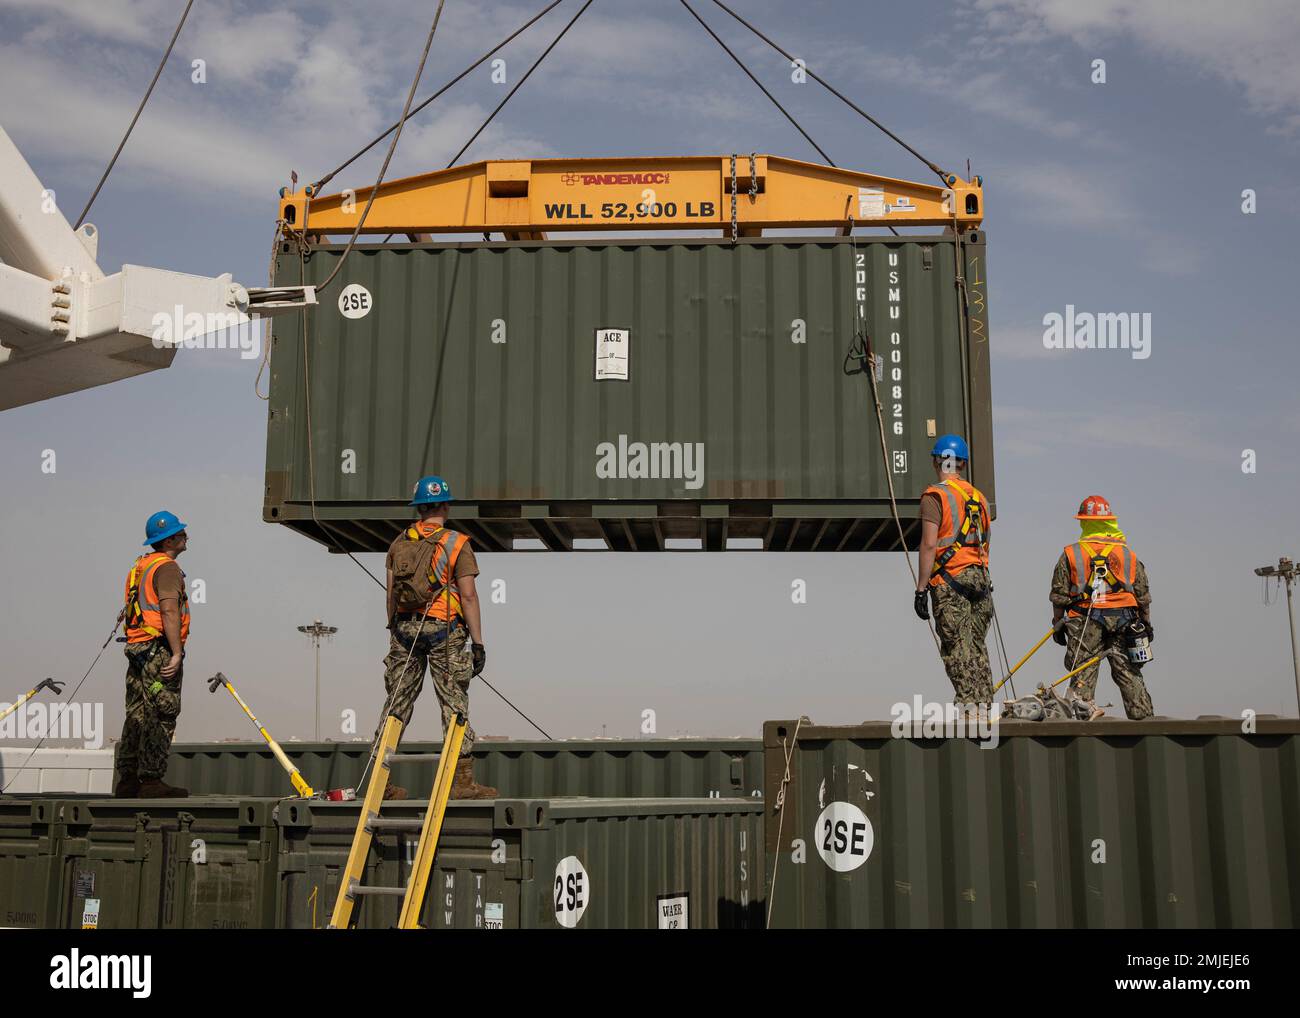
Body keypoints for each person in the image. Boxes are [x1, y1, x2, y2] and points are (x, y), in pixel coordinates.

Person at [373, 474, 495, 800]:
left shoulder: (398, 543)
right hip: (444, 633)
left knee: (397, 703)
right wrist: (479, 643)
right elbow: (468, 597)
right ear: (445, 505)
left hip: (403, 632)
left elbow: (390, 596)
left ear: (419, 508)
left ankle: (379, 783)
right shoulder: (458, 543)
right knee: (453, 704)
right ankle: (461, 782)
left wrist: (394, 630)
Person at [1049, 495, 1155, 720]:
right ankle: (1145, 723)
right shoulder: (1127, 554)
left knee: (1083, 671)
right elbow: (1143, 596)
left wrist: (1057, 624)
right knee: (1128, 672)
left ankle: (1083, 723)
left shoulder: (1071, 553)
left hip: (1085, 621)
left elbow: (1059, 596)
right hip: (1126, 620)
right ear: (1109, 521)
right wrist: (1146, 624)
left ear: (1083, 522)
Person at [912, 435, 994, 706]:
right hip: (981, 580)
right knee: (977, 647)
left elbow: (929, 544)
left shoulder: (934, 496)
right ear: (963, 464)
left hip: (950, 580)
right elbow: (986, 540)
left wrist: (921, 589)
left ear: (937, 460)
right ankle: (985, 704)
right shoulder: (980, 498)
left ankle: (970, 707)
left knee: (956, 647)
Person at [114, 511, 191, 798]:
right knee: (161, 711)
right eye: (181, 534)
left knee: (136, 714)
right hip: (157, 649)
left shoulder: (141, 566)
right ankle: (151, 781)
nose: (186, 537)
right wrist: (176, 653)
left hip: (137, 647)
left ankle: (128, 781)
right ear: (169, 539)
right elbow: (169, 610)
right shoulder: (167, 568)